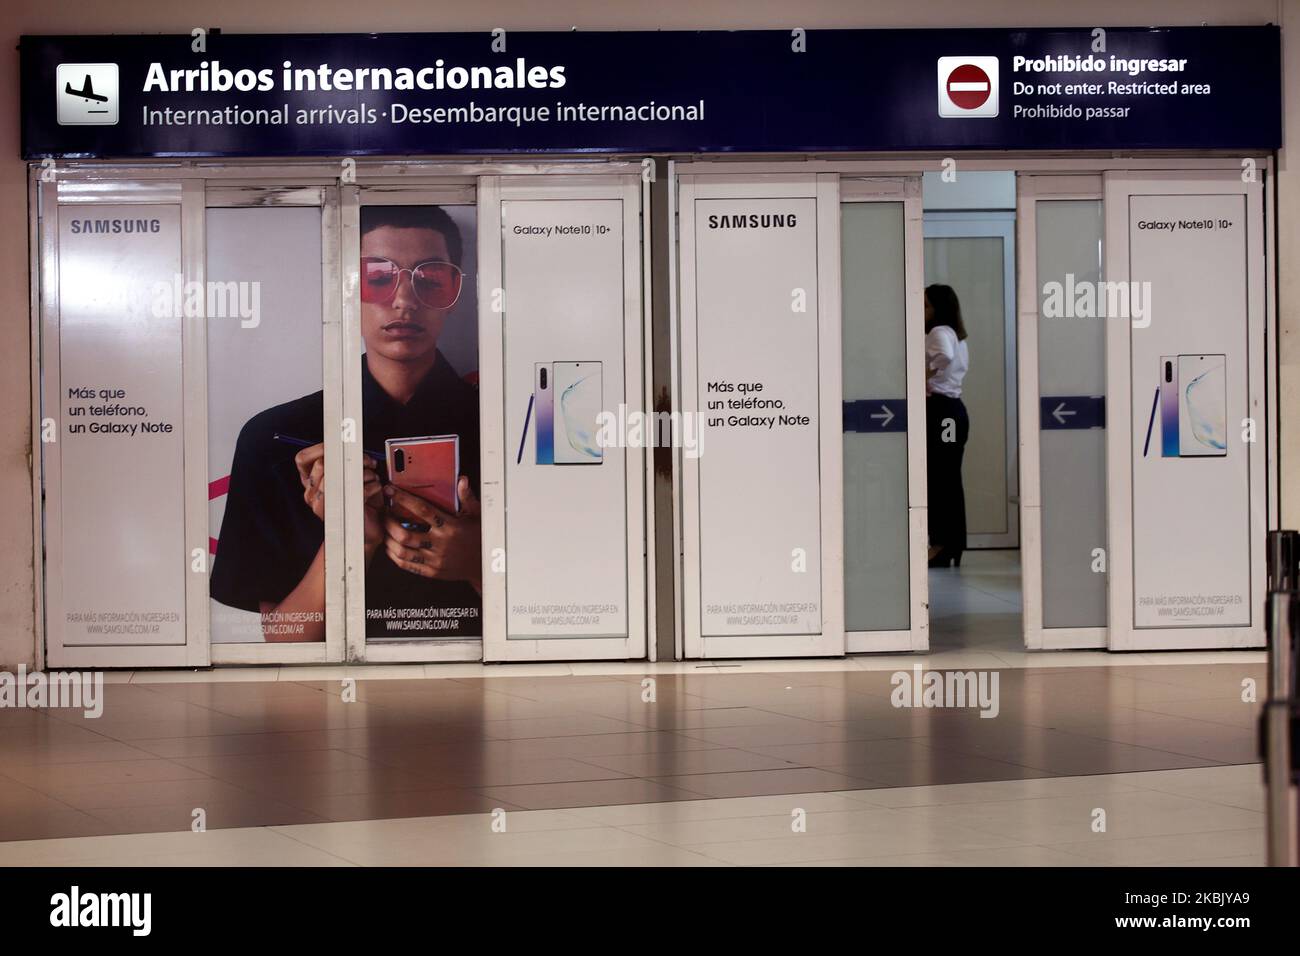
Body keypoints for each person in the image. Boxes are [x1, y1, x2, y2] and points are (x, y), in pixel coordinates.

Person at [210, 205, 482, 641]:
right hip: (325, 695)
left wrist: (478, 563)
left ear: (454, 293)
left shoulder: (501, 430)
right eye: (377, 278)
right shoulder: (276, 437)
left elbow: (550, 616)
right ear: (347, 292)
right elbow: (285, 639)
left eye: (430, 281)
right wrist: (349, 537)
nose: (404, 300)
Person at [924, 283, 970, 568]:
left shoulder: (939, 332)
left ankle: (942, 544)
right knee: (949, 478)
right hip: (951, 411)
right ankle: (951, 545)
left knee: (941, 478)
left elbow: (944, 357)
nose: (923, 311)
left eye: (927, 305)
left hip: (944, 412)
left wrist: (923, 372)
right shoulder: (955, 334)